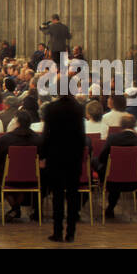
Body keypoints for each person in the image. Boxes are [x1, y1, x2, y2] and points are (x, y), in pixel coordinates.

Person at [39, 92, 87, 242]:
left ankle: (57, 231)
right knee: (73, 195)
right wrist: (80, 156)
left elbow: (46, 134)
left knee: (57, 195)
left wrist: (42, 155)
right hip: (73, 157)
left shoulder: (51, 108)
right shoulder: (79, 108)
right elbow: (81, 135)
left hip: (55, 156)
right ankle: (71, 232)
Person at [94, 114, 137, 219]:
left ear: (121, 126)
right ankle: (110, 207)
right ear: (134, 125)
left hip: (111, 178)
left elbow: (102, 158)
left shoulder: (112, 139)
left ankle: (101, 182)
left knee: (95, 161)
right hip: (133, 180)